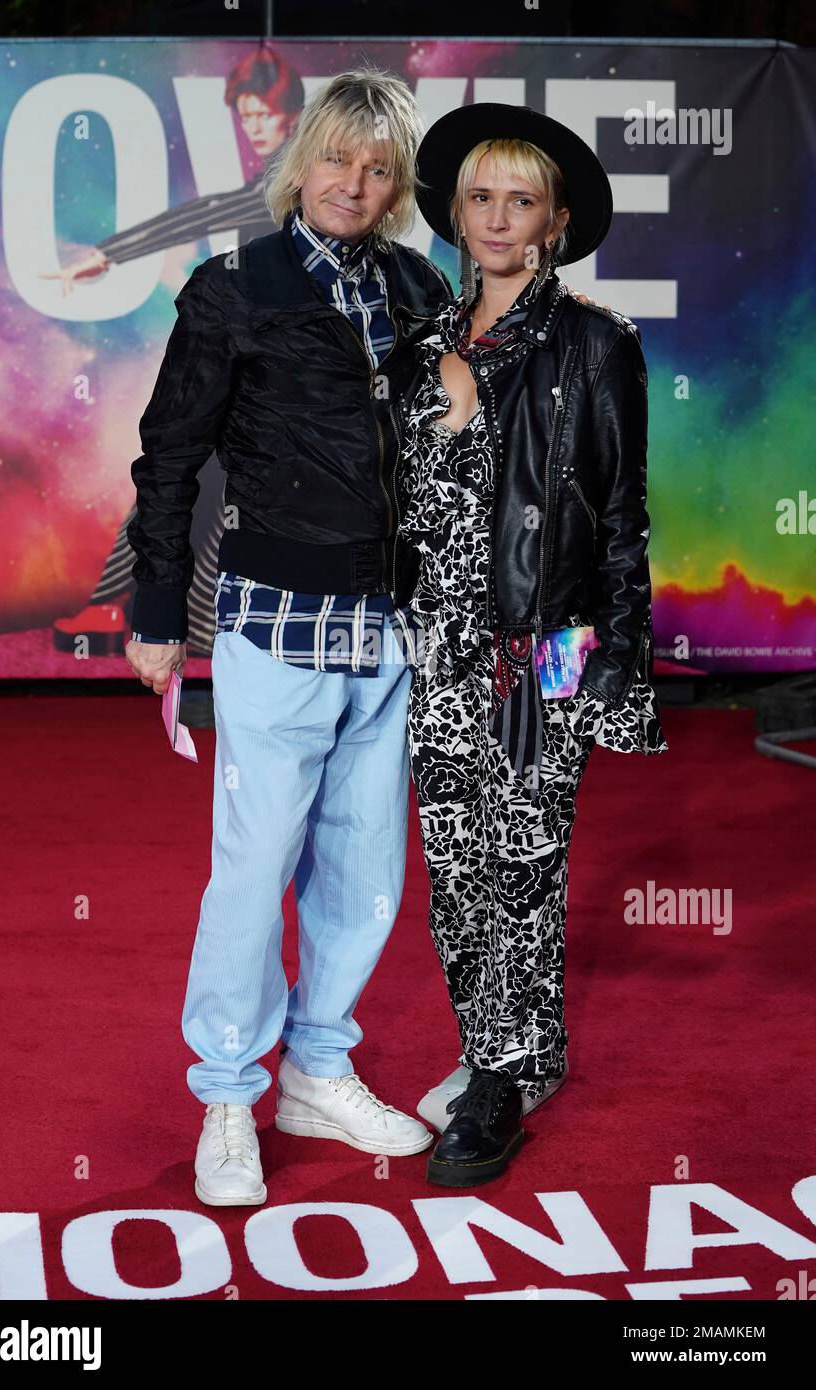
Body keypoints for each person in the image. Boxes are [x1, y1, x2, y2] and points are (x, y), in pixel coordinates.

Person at [124, 69, 456, 1206]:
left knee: (365, 864)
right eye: (336, 159)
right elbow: (168, 456)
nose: (352, 184)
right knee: (254, 865)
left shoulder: (421, 285)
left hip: (392, 625)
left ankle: (318, 1065)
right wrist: (159, 615)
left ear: (397, 181)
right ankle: (227, 1087)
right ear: (297, 162)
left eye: (376, 167)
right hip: (274, 619)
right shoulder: (234, 288)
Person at [387, 103, 669, 1186]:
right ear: (454, 215)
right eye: (479, 197)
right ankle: (515, 1045)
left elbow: (622, 513)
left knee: (521, 865)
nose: (498, 217)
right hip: (434, 648)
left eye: (520, 200)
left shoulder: (596, 344)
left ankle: (496, 1080)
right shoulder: (418, 348)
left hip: (543, 646)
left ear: (552, 223)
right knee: (454, 869)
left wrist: (612, 661)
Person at [50, 46, 306, 659]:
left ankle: (145, 609)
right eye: (245, 116)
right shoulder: (276, 179)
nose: (254, 127)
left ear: (291, 114)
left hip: (289, 376)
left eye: (263, 114)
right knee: (187, 475)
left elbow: (209, 211)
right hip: (258, 367)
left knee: (203, 479)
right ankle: (138, 605)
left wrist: (113, 249)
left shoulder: (297, 182)